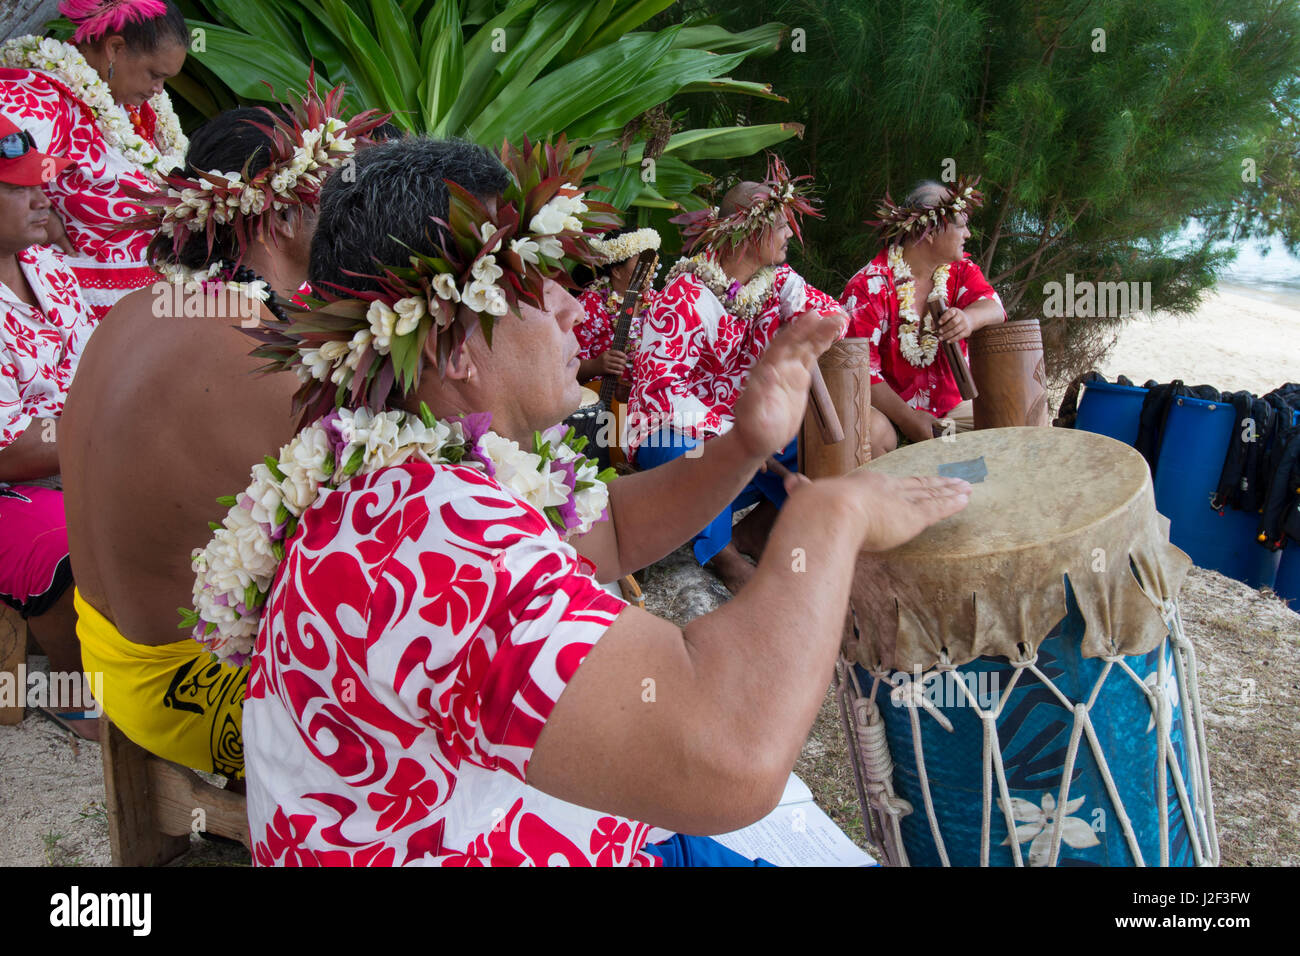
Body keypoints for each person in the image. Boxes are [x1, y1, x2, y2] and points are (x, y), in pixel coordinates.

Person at [204, 135, 970, 866]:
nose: (578, 310)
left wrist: (743, 445)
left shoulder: (410, 467)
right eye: (542, 288)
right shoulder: (430, 531)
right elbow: (729, 754)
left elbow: (610, 527)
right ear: (454, 349)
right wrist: (832, 515)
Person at [59, 85, 384, 776]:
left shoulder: (136, 307)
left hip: (107, 657)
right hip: (190, 695)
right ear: (271, 217)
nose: (352, 211)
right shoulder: (260, 360)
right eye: (334, 191)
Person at [626, 155, 848, 593]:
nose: (790, 235)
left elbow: (838, 318)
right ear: (749, 231)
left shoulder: (777, 280)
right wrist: (737, 438)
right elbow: (660, 395)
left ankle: (756, 534)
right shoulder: (684, 296)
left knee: (813, 437)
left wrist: (805, 326)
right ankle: (724, 559)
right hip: (671, 430)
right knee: (682, 449)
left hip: (745, 430)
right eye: (782, 225)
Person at [0, 116, 99, 738]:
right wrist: (105, 436)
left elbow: (97, 371)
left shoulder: (49, 268)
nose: (43, 199)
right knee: (71, 537)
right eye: (18, 188)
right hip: (15, 480)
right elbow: (6, 450)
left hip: (76, 456)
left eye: (41, 183)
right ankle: (71, 686)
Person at [0, 0, 189, 319]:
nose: (159, 90)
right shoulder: (43, 100)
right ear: (115, 48)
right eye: (154, 75)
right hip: (87, 315)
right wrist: (46, 220)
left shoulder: (134, 106)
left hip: (147, 311)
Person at [841, 178, 1006, 455]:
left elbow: (994, 307)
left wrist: (968, 319)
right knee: (871, 430)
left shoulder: (960, 270)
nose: (967, 234)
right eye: (961, 225)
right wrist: (908, 420)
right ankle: (893, 495)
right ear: (930, 231)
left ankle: (978, 492)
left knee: (1010, 416)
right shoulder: (869, 286)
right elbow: (861, 372)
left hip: (950, 410)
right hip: (890, 416)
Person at [574, 227, 660, 398]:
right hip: (601, 402)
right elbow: (562, 366)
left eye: (653, 262)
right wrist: (595, 366)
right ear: (617, 271)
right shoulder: (589, 305)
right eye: (642, 263)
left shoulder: (658, 301)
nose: (651, 270)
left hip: (645, 402)